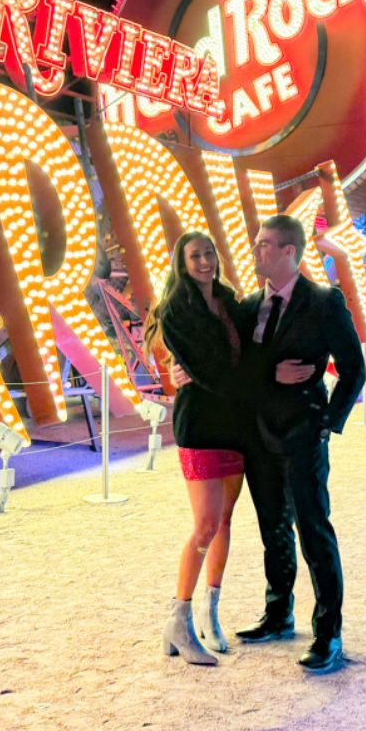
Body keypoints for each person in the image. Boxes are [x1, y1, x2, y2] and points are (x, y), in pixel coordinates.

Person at [233, 214, 366, 673]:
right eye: (257, 242)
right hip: (258, 434)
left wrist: (329, 423)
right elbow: (240, 370)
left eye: (265, 243)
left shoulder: (325, 301)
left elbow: (355, 368)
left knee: (313, 530)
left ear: (290, 251)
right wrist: (267, 375)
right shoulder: (250, 305)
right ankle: (278, 613)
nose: (256, 249)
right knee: (273, 528)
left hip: (303, 433)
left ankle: (328, 632)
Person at [145, 231, 248, 666]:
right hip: (200, 421)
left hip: (236, 422)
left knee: (224, 520)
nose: (204, 261)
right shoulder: (175, 310)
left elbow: (251, 354)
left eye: (208, 253)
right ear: (181, 263)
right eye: (195, 256)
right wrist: (248, 385)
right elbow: (207, 370)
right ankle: (179, 617)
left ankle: (210, 612)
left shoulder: (231, 302)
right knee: (205, 524)